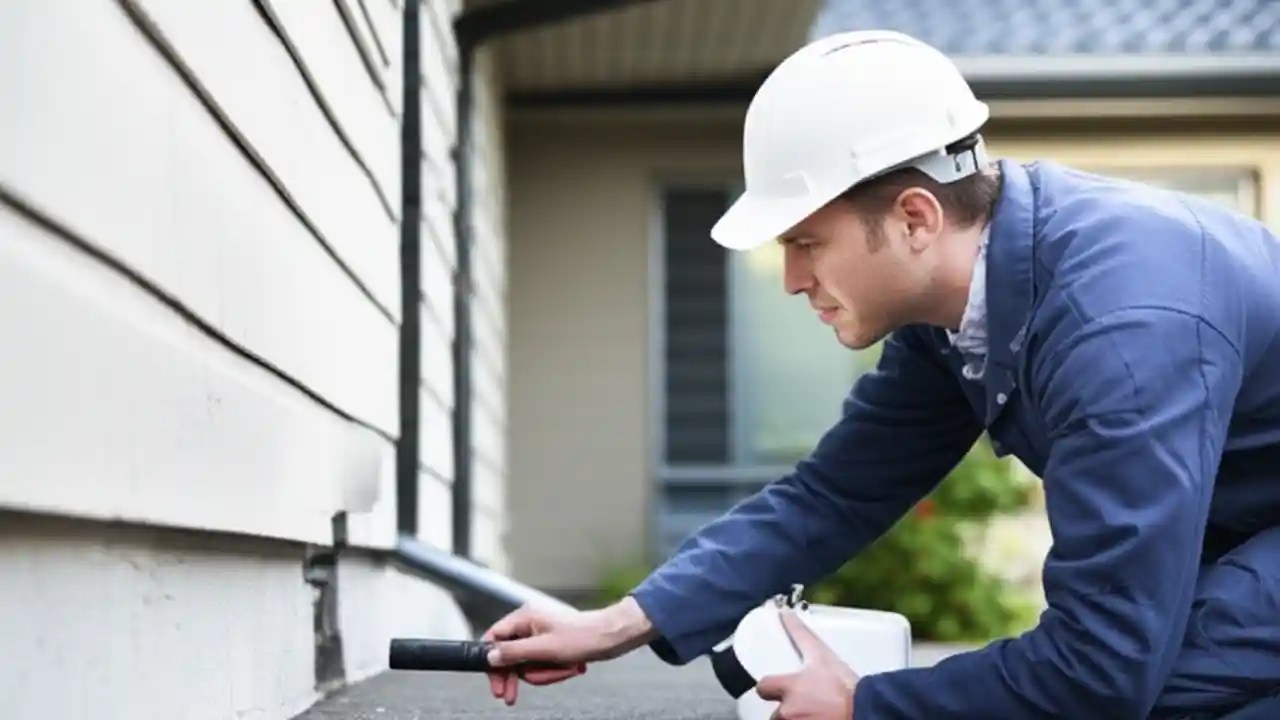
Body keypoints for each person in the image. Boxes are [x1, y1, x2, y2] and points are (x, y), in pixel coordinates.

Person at [480, 29, 1280, 719]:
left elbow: (1102, 668)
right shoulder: (973, 302)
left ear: (914, 219)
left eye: (805, 242)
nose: (791, 279)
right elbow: (834, 494)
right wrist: (622, 622)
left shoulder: (1121, 330)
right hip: (1245, 528)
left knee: (1159, 680)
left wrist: (870, 703)